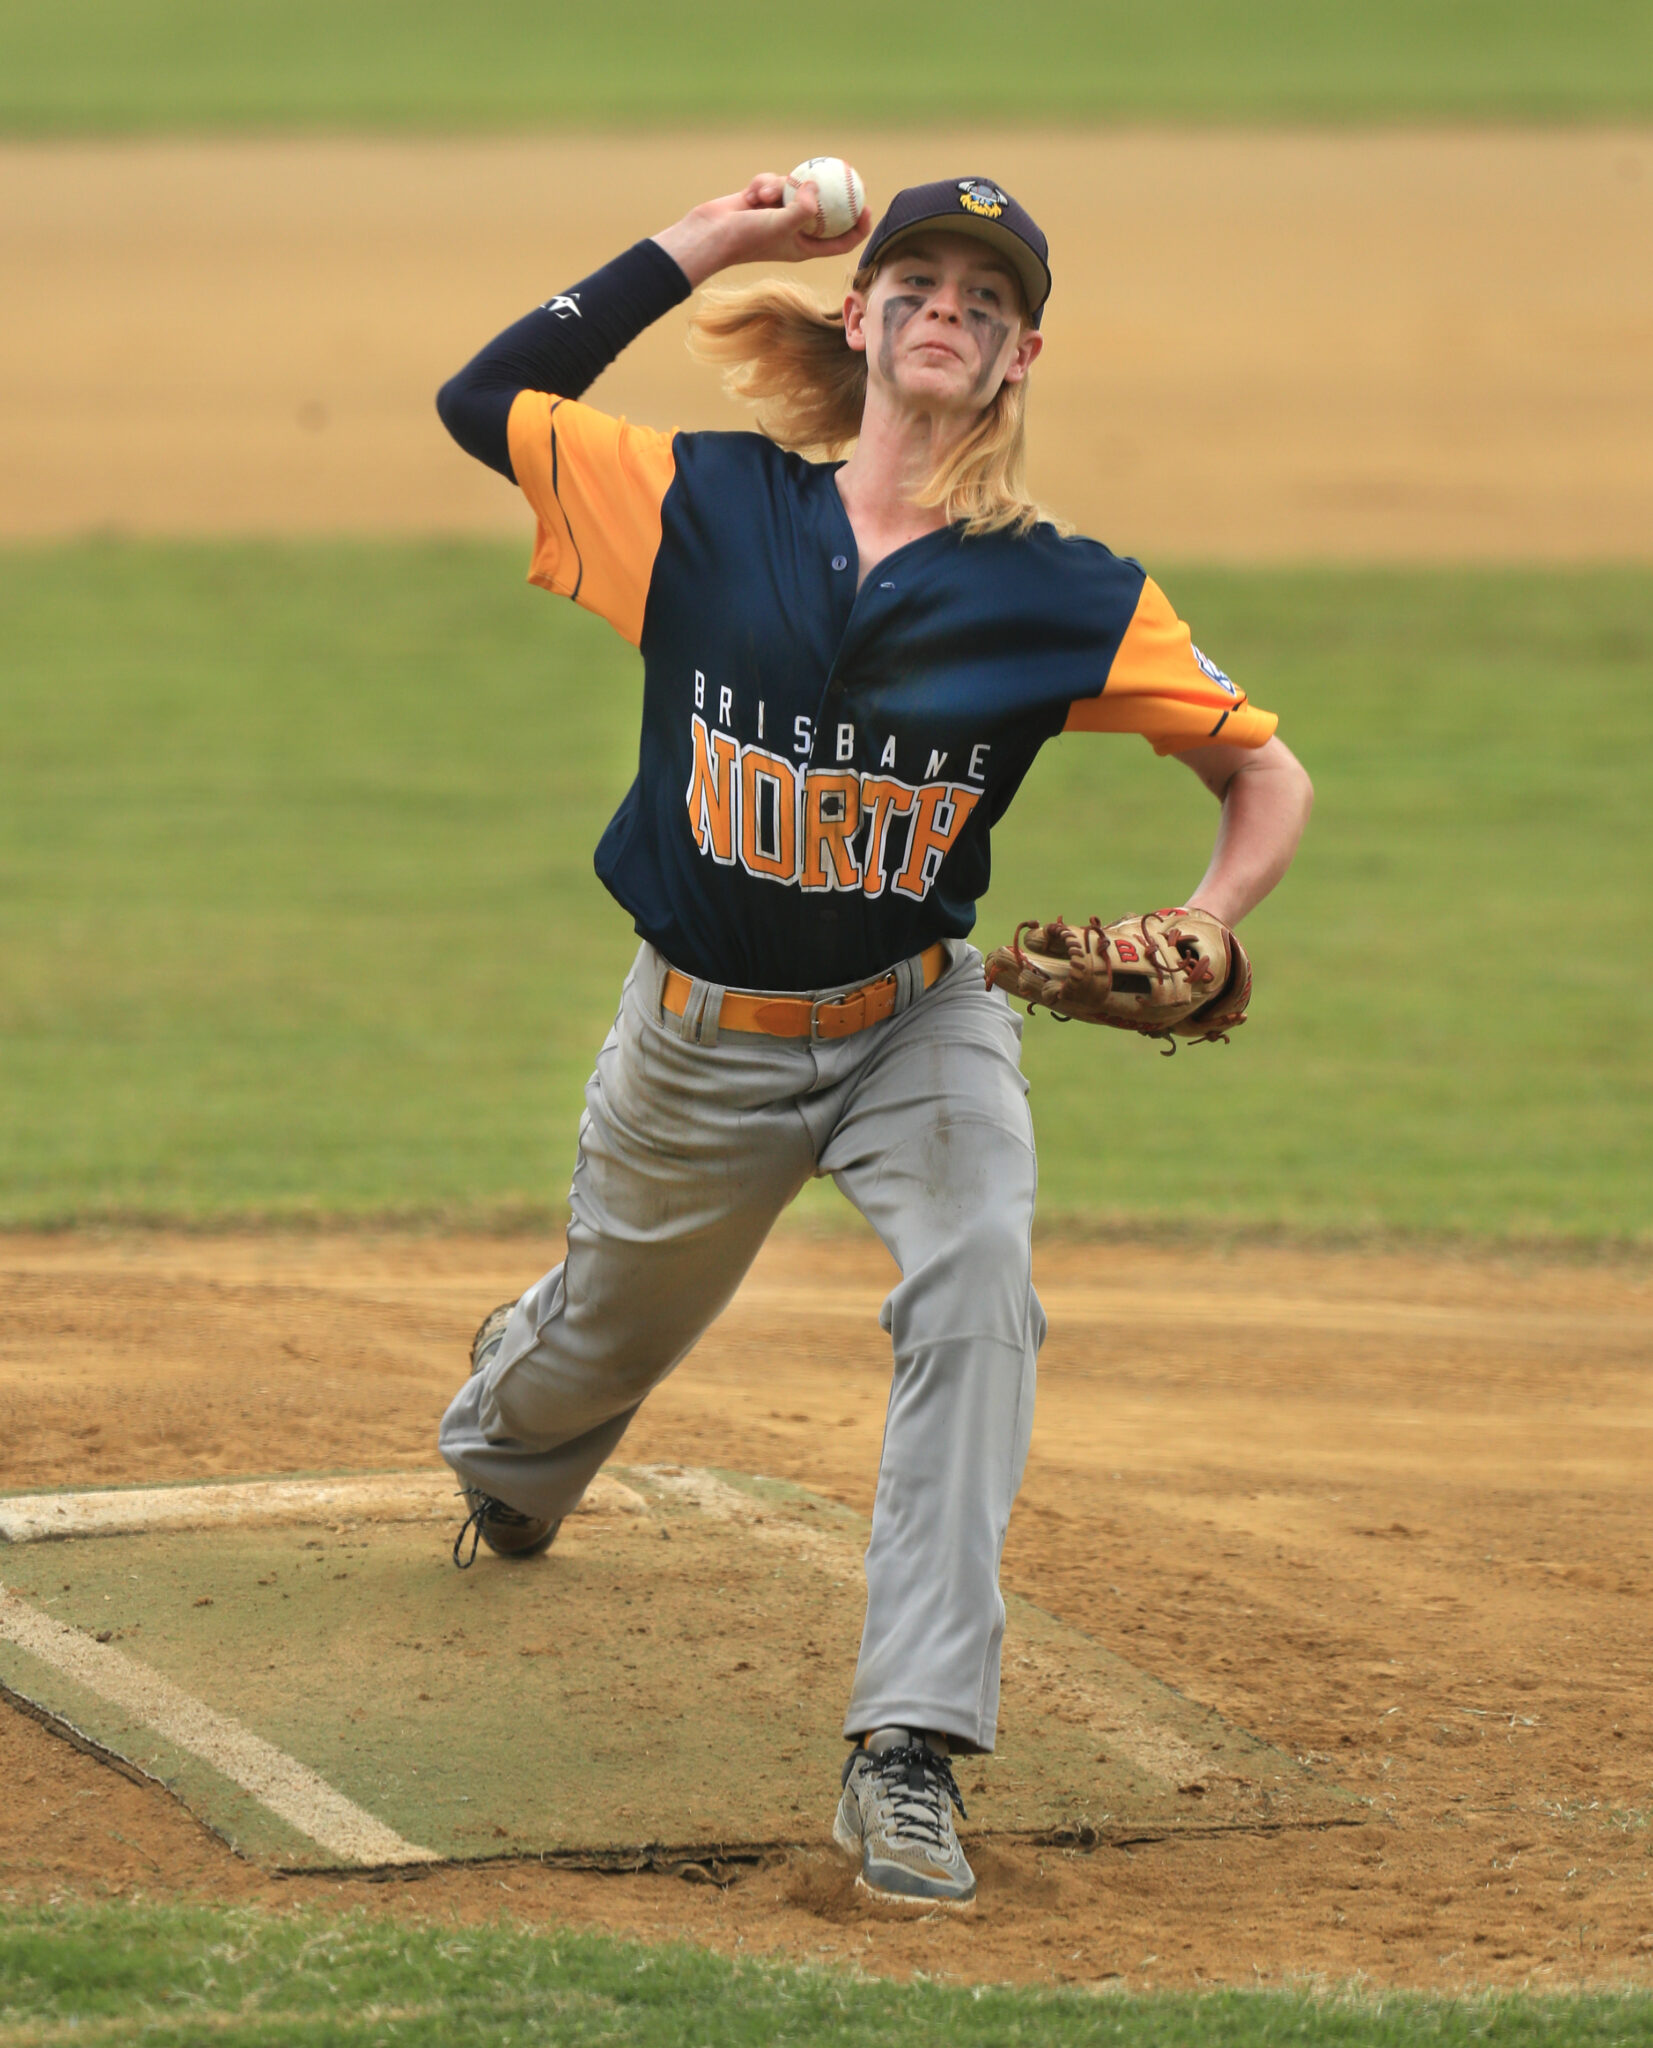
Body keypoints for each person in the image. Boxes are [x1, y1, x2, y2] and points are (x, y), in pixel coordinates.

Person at [433, 170, 1313, 1906]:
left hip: (923, 1020)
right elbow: (483, 405)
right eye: (917, 279)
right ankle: (514, 1441)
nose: (948, 312)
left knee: (978, 1281)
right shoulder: (703, 498)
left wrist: (1210, 915)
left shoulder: (1066, 591)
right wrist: (716, 233)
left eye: (986, 302)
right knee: (586, 1355)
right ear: (861, 313)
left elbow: (1261, 771)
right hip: (697, 1039)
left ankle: (906, 1754)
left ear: (1018, 360)